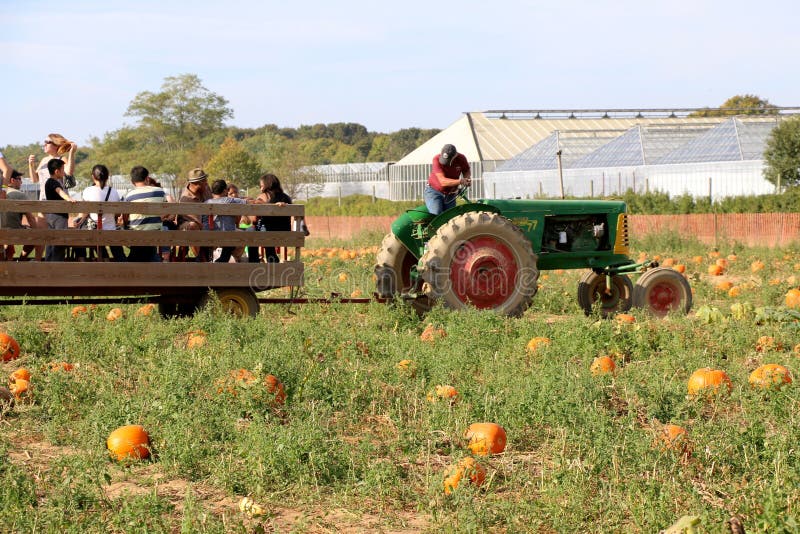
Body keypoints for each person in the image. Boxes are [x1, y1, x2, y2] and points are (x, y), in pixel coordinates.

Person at [78, 164, 125, 261]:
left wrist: (80, 220)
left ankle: (102, 259)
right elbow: (118, 213)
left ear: (93, 176)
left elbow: (85, 211)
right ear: (107, 177)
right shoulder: (114, 192)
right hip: (111, 230)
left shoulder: (88, 191)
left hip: (94, 231)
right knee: (117, 250)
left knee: (83, 234)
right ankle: (123, 265)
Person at [124, 166, 166, 262]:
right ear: (147, 178)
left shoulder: (129, 195)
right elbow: (166, 211)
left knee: (137, 251)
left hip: (136, 232)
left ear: (132, 181)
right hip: (155, 232)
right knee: (148, 253)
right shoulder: (159, 191)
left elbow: (125, 217)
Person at [249, 173, 291, 264]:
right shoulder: (286, 198)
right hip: (285, 231)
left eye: (261, 186)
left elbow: (254, 219)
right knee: (265, 230)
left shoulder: (263, 197)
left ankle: (253, 260)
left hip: (267, 232)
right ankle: (271, 257)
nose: (260, 189)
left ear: (267, 185)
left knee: (251, 231)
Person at [206, 179, 250, 263]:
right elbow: (251, 202)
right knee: (243, 236)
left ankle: (224, 258)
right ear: (225, 190)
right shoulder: (229, 200)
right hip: (226, 235)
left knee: (232, 234)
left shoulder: (206, 202)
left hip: (207, 234)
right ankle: (232, 258)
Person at [1, 171, 40, 261]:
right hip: (14, 231)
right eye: (19, 179)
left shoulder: (2, 193)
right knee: (34, 236)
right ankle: (22, 260)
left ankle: (7, 261)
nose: (21, 182)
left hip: (3, 230)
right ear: (12, 180)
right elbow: (31, 218)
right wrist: (37, 233)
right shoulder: (20, 195)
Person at [43, 159, 77, 261]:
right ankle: (57, 264)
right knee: (60, 240)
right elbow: (60, 191)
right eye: (62, 169)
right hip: (58, 216)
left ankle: (48, 263)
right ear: (57, 171)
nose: (64, 172)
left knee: (51, 240)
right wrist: (69, 199)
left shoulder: (49, 182)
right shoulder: (53, 182)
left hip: (51, 215)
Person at [424, 144, 471, 216]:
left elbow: (466, 170)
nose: (445, 162)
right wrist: (461, 181)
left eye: (448, 160)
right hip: (434, 191)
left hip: (450, 194)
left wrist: (467, 179)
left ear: (455, 155)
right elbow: (443, 182)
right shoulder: (436, 159)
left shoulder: (461, 158)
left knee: (450, 216)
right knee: (437, 214)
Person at [177, 168, 212, 261]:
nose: (207, 183)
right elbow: (196, 221)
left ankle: (229, 261)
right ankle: (199, 257)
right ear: (197, 184)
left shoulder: (207, 189)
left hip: (206, 222)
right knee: (193, 226)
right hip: (187, 224)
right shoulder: (186, 198)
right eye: (204, 181)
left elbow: (215, 202)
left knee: (238, 234)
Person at [28, 134, 77, 200]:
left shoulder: (61, 159)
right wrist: (31, 165)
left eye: (47, 142)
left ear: (56, 145)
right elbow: (35, 180)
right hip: (44, 199)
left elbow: (69, 173)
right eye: (44, 142)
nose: (44, 144)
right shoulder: (44, 160)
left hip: (58, 200)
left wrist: (71, 153)